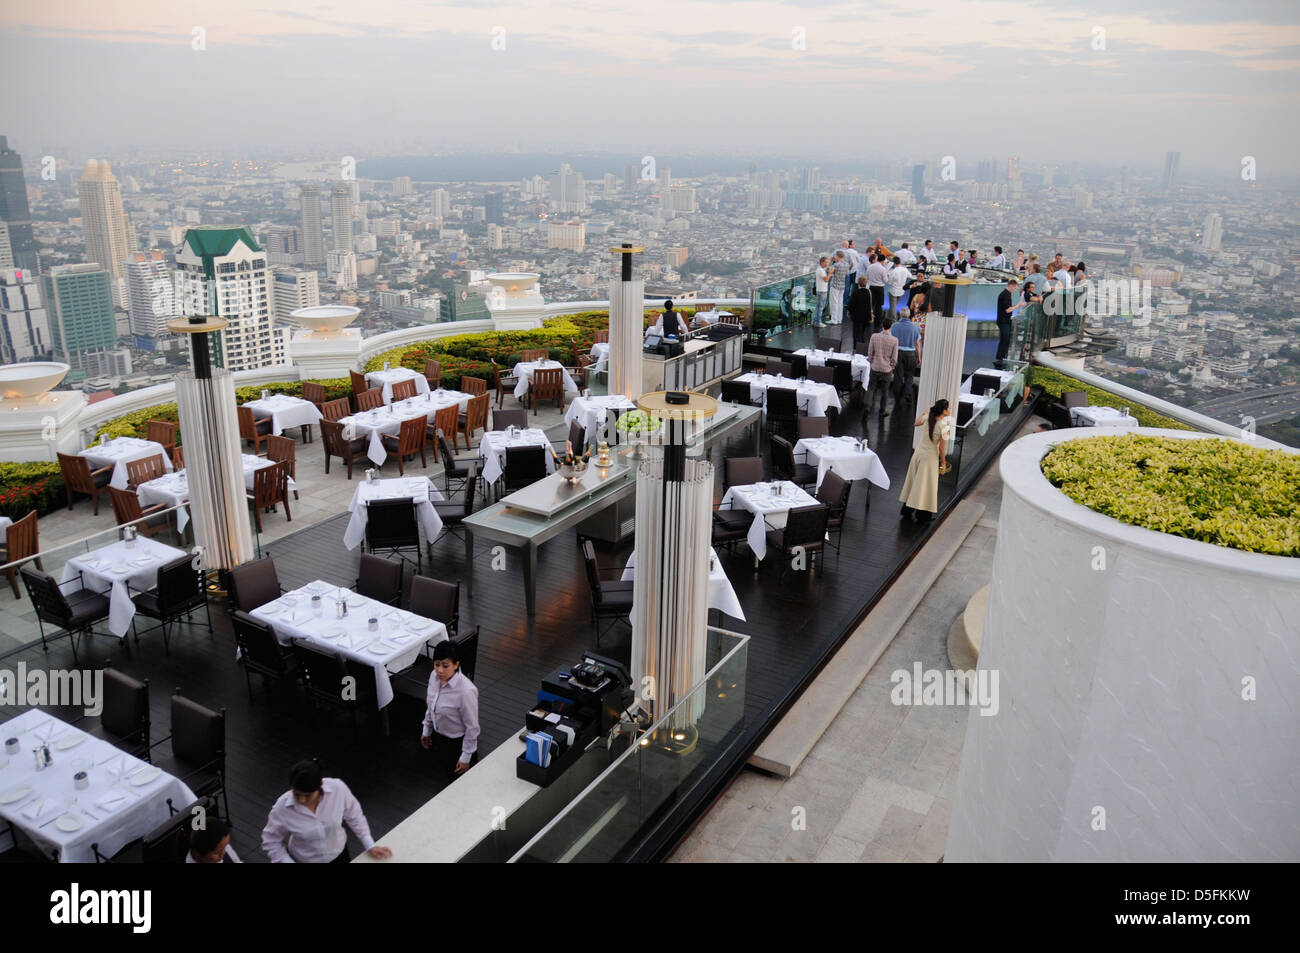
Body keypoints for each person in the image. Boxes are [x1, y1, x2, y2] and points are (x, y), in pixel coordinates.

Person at [262, 761, 391, 863]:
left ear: (320, 786)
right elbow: (271, 841)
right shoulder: (281, 808)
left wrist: (370, 845)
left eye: (307, 795)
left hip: (339, 856)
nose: (301, 800)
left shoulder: (338, 789)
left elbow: (355, 816)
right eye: (296, 794)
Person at [420, 640, 481, 786]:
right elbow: (431, 705)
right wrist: (426, 730)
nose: (440, 670)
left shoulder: (466, 691)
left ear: (456, 665)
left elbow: (472, 728)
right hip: (440, 739)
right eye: (436, 665)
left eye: (445, 666)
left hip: (458, 745)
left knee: (462, 786)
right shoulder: (433, 677)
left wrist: (465, 757)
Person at [899, 400, 951, 522]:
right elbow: (942, 448)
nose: (950, 410)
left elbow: (916, 423)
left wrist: (925, 413)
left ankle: (907, 509)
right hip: (929, 458)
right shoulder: (944, 427)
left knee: (913, 481)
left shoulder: (928, 418)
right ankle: (922, 514)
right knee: (926, 485)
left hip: (918, 454)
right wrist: (943, 463)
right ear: (943, 411)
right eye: (948, 408)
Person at [865, 316, 898, 417]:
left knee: (871, 388)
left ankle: (867, 407)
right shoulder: (894, 340)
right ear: (891, 327)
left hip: (875, 367)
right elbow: (894, 358)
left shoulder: (874, 336)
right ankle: (882, 411)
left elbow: (870, 353)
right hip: (886, 369)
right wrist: (891, 367)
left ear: (882, 325)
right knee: (885, 391)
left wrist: (871, 362)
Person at [891, 308, 922, 407]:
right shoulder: (915, 327)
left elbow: (891, 340)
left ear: (900, 315)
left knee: (898, 376)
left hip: (898, 353)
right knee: (909, 375)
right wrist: (919, 357)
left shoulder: (894, 326)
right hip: (911, 354)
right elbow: (917, 344)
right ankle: (908, 394)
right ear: (909, 316)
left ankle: (897, 396)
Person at [996, 278, 1027, 368]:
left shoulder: (1007, 294)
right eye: (1015, 288)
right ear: (1011, 285)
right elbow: (1008, 309)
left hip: (1005, 320)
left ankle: (1001, 358)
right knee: (1004, 340)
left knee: (1005, 340)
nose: (1015, 290)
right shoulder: (1005, 295)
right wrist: (1019, 305)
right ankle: (1000, 359)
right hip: (1003, 321)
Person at [848, 275, 874, 346]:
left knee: (856, 332)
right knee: (863, 332)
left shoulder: (855, 292)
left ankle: (855, 346)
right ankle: (862, 346)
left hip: (856, 316)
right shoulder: (868, 292)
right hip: (866, 316)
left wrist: (849, 312)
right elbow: (871, 304)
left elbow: (851, 304)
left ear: (858, 283)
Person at [866, 252, 888, 330]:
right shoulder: (883, 269)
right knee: (878, 307)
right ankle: (877, 324)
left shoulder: (870, 267)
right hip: (879, 288)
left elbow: (867, 277)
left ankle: (868, 321)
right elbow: (885, 280)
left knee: (870, 305)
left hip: (871, 287)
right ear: (883, 260)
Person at [827, 250, 849, 325]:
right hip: (842, 285)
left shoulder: (836, 265)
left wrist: (829, 262)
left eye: (835, 256)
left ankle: (834, 320)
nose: (834, 257)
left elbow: (829, 271)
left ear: (837, 256)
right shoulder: (846, 265)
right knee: (840, 303)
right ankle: (839, 319)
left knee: (834, 302)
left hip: (835, 285)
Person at [886, 256, 910, 320]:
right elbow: (910, 275)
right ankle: (889, 318)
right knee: (894, 307)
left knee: (893, 307)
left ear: (894, 263)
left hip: (893, 291)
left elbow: (889, 282)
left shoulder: (893, 272)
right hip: (901, 291)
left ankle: (894, 321)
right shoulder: (905, 269)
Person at [814, 256, 831, 327]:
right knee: (820, 307)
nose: (827, 264)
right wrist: (830, 273)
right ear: (822, 262)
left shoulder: (820, 269)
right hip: (822, 290)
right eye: (826, 262)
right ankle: (818, 322)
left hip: (821, 289)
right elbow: (826, 280)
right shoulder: (821, 270)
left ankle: (816, 321)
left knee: (819, 306)